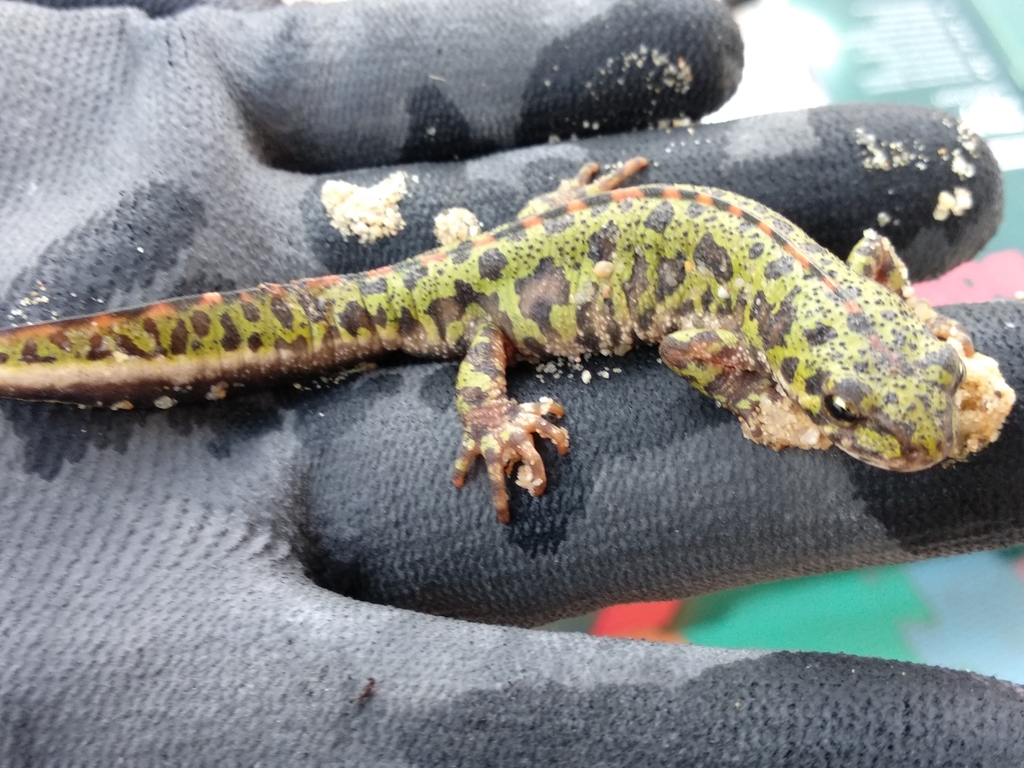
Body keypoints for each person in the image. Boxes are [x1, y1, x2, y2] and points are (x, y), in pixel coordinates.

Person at [0, 0, 1021, 763]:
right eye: (849, 412)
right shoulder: (779, 322)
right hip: (481, 303)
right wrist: (746, 395)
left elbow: (877, 269)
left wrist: (888, 367)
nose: (902, 448)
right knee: (461, 333)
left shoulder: (858, 297)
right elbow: (686, 350)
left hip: (571, 246)